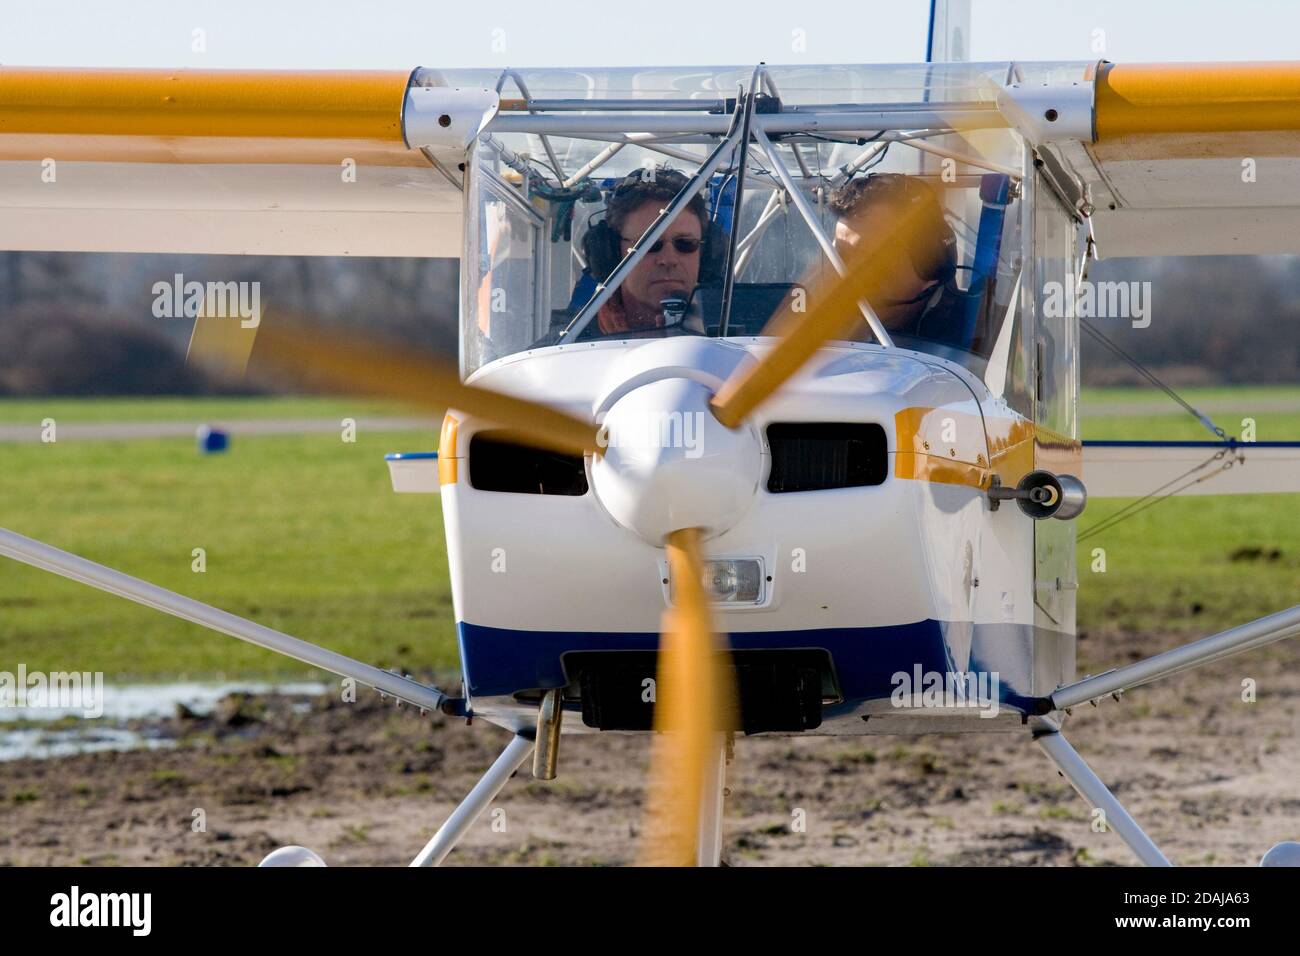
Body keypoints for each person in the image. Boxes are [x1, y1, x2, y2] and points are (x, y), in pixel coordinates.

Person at [827, 173, 972, 348]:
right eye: (840, 257)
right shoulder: (812, 335)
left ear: (930, 260)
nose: (847, 275)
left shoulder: (987, 339)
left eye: (868, 259)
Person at [575, 167, 711, 338]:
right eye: (647, 244)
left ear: (706, 255)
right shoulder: (565, 349)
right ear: (612, 253)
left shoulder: (742, 345)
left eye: (685, 243)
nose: (668, 259)